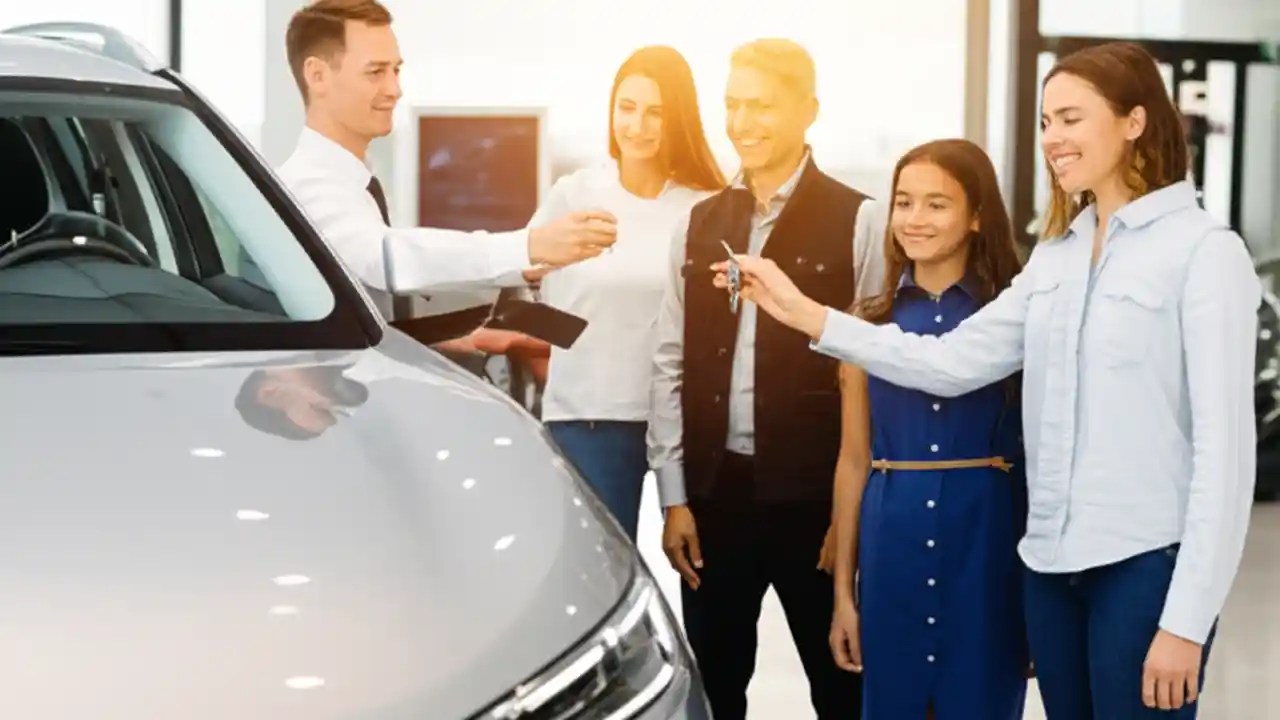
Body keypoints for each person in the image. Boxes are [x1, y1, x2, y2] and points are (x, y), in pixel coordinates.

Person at [715, 41, 1259, 719]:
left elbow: (1226, 463)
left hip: (1143, 565)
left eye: (1070, 119)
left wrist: (1186, 620)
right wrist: (801, 310)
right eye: (1044, 122)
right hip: (1051, 571)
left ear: (1134, 122)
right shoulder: (1057, 259)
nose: (1052, 139)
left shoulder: (1203, 253)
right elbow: (949, 362)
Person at [648, 38, 886, 720]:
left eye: (762, 105)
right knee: (715, 688)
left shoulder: (859, 219)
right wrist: (674, 499)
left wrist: (852, 515)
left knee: (842, 688)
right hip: (716, 498)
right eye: (732, 104)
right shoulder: (698, 224)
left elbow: (867, 366)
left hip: (816, 503)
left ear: (807, 111)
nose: (743, 121)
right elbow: (670, 358)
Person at [824, 139, 1029, 719]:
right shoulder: (868, 324)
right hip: (893, 547)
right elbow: (853, 459)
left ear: (977, 216)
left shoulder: (1011, 318)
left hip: (989, 545)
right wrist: (844, 594)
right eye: (904, 202)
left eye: (937, 204)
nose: (915, 219)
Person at [278, 0, 616, 327]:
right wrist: (529, 245)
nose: (395, 89)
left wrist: (526, 267)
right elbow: (384, 259)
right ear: (317, 75)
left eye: (395, 70)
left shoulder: (356, 182)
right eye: (375, 72)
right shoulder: (308, 186)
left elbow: (376, 296)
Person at [520, 46, 724, 541]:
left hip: (685, 418)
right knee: (599, 567)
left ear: (678, 119)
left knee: (707, 572)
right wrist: (560, 352)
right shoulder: (576, 193)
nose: (637, 125)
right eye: (626, 108)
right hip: (591, 414)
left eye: (655, 112)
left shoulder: (705, 207)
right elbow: (527, 283)